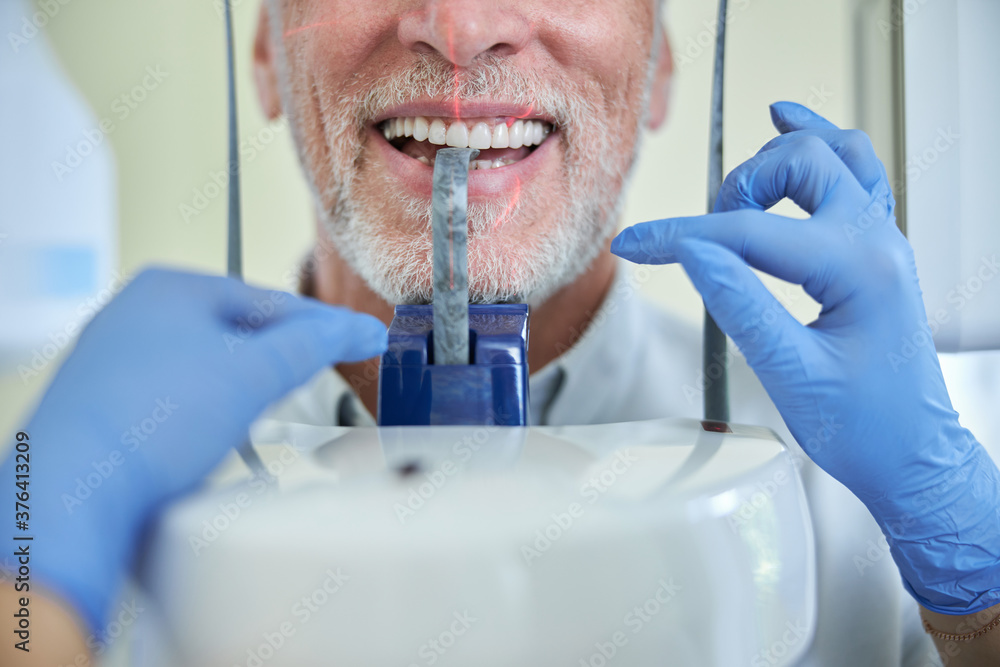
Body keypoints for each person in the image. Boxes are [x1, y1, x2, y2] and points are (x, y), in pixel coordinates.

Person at [2, 1, 998, 664]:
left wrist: (974, 580)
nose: (462, 27)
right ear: (267, 52)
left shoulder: (847, 487)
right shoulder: (86, 494)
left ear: (653, 68)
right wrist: (22, 573)